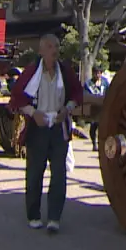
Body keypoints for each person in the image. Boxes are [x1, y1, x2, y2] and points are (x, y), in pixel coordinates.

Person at [9, 34, 83, 233]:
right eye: (50, 46)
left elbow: (77, 93)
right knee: (35, 173)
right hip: (38, 127)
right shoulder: (32, 72)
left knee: (59, 174)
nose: (54, 50)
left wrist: (67, 109)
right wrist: (33, 113)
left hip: (59, 127)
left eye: (57, 46)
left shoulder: (65, 71)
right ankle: (33, 215)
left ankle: (54, 217)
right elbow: (17, 97)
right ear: (41, 51)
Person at [84, 69, 108, 151]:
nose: (98, 75)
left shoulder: (105, 82)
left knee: (102, 127)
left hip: (103, 107)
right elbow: (85, 94)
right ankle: (94, 143)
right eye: (96, 73)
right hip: (93, 107)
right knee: (93, 126)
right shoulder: (88, 83)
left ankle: (100, 144)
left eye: (99, 73)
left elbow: (109, 92)